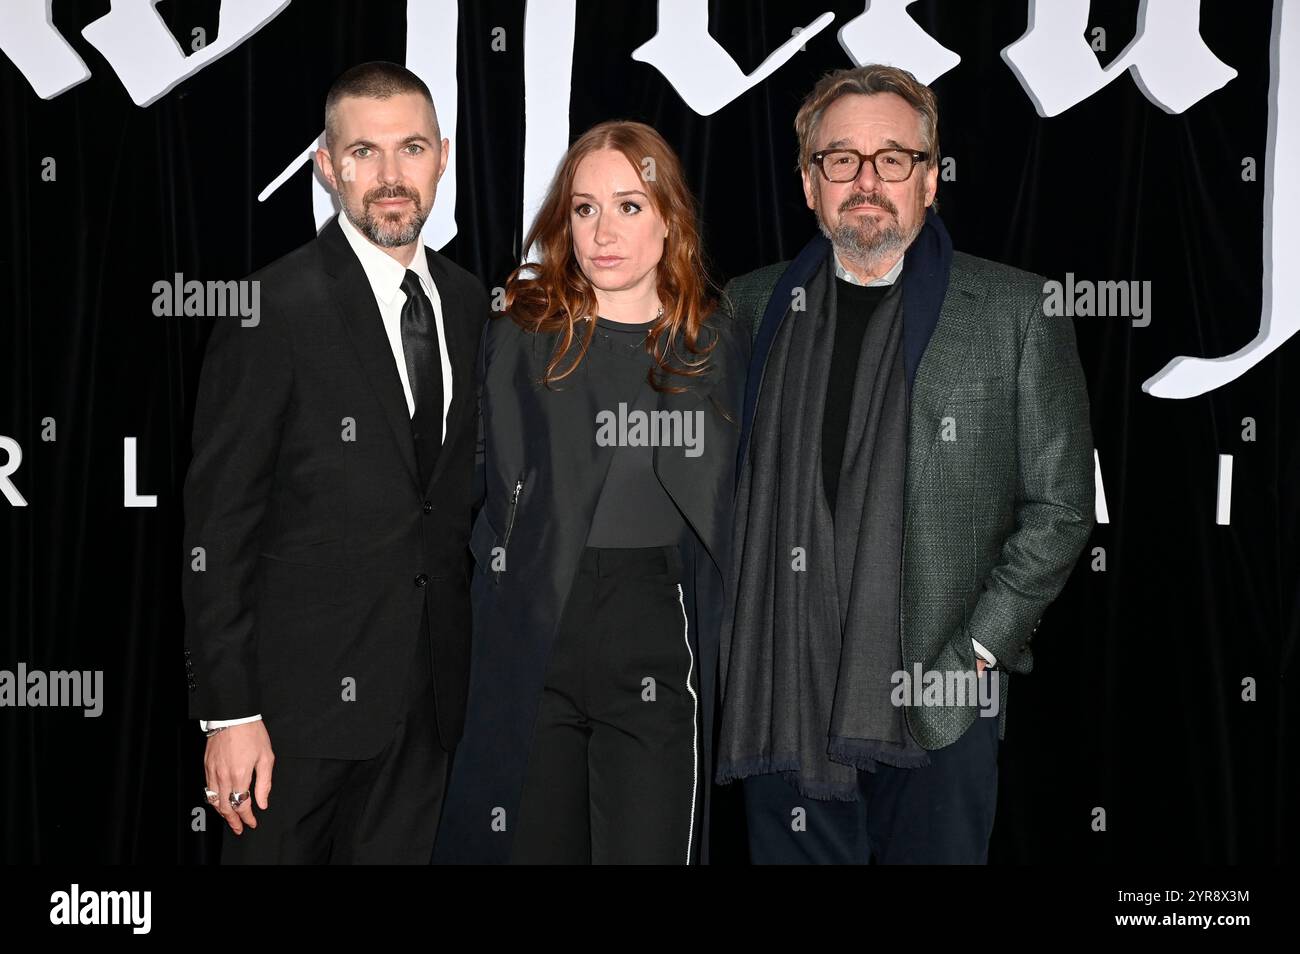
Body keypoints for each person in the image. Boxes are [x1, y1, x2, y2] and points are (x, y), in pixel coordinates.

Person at [715, 64, 1095, 864]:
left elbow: (1061, 508)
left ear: (929, 179)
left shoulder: (1016, 311)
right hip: (783, 686)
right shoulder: (748, 308)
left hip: (941, 696)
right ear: (809, 183)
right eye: (840, 159)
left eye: (893, 158)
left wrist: (976, 654)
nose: (866, 181)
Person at [183, 61, 488, 863]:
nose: (390, 176)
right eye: (364, 152)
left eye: (411, 148)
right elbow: (219, 526)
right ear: (327, 165)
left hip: (426, 712)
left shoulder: (468, 303)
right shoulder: (272, 309)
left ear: (443, 157)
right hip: (290, 722)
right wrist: (229, 714)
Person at [432, 120, 748, 864]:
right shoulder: (521, 331)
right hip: (533, 632)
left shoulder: (715, 344)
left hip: (657, 637)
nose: (603, 231)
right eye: (584, 208)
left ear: (669, 219)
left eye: (629, 206)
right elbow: (467, 490)